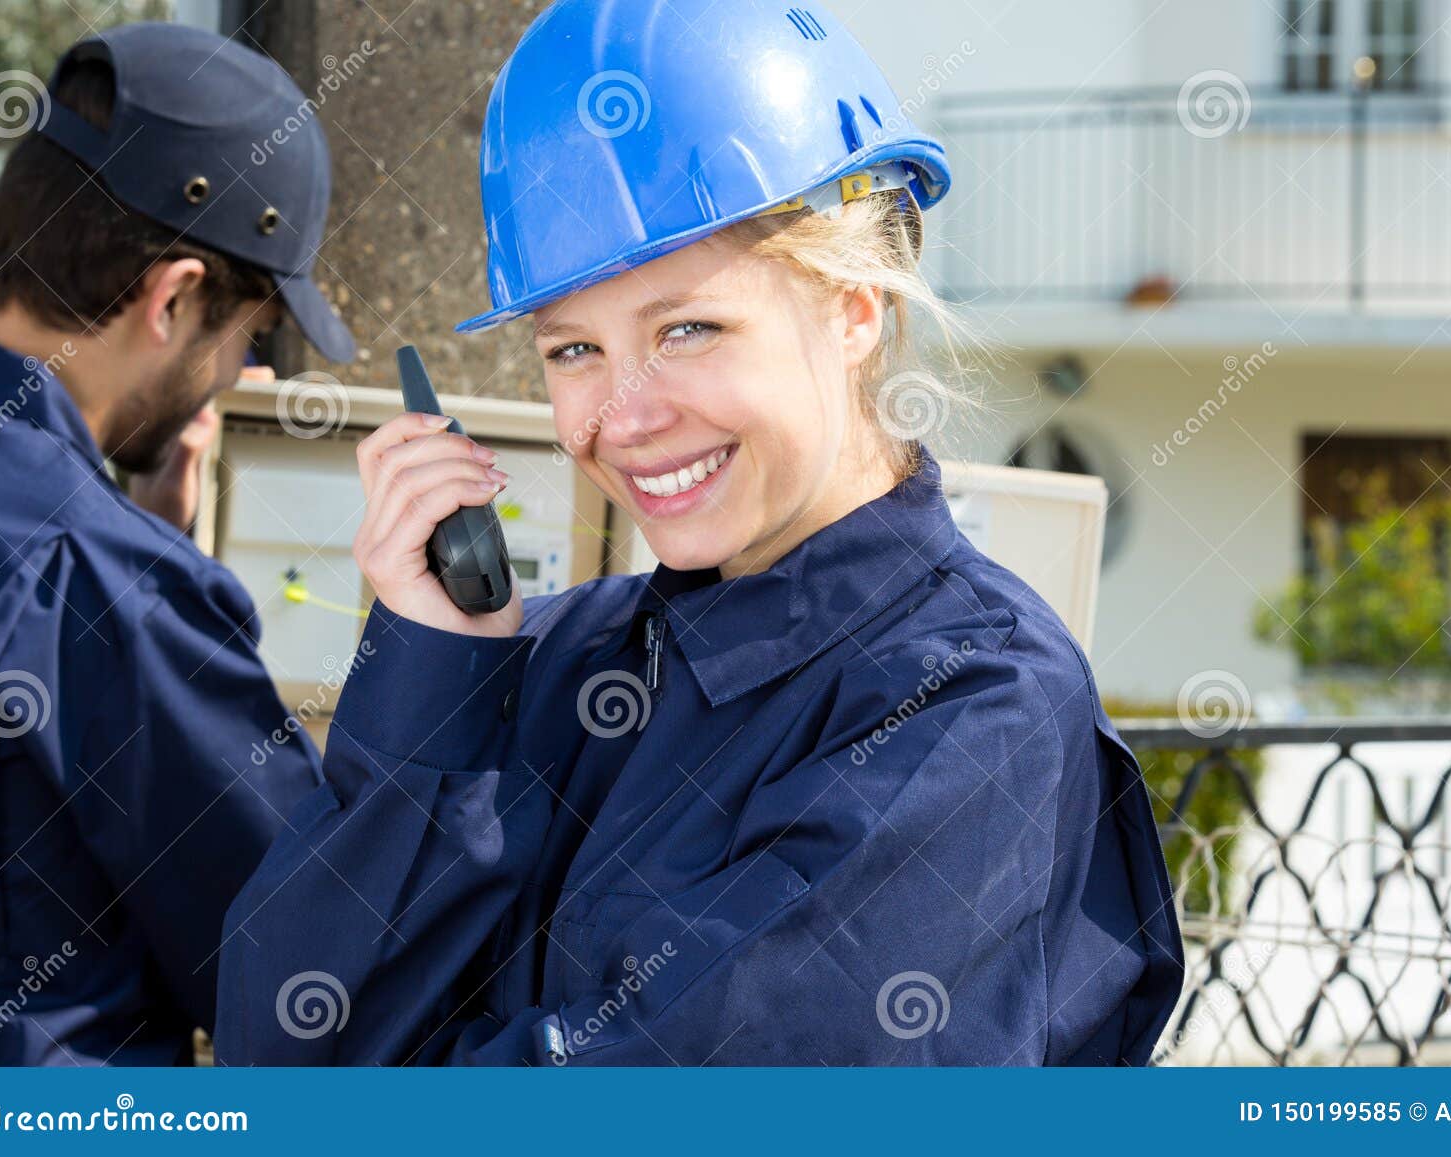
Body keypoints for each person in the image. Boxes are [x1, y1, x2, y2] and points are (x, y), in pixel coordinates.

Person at [215, 0, 1183, 1066]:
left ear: (853, 308)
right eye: (573, 349)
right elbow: (283, 1042)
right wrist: (437, 674)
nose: (621, 418)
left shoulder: (975, 705)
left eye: (688, 329)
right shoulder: (543, 659)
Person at [0, 22, 356, 1065]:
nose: (231, 375)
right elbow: (297, 967)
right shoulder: (96, 576)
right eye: (247, 335)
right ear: (174, 295)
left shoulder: (82, 560)